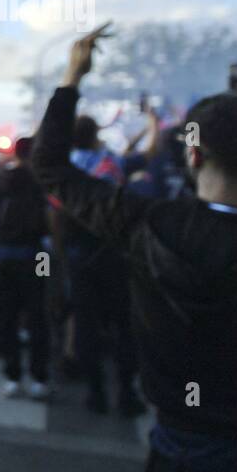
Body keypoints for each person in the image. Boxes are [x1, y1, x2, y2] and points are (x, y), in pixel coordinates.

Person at [33, 23, 237, 472]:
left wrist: (72, 77)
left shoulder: (149, 224)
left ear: (192, 158)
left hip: (181, 458)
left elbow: (50, 167)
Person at [64, 113, 144, 415]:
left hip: (79, 253)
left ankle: (95, 393)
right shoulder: (109, 163)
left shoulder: (67, 167)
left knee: (86, 325)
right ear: (95, 134)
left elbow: (57, 214)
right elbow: (142, 156)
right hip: (113, 251)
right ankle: (126, 393)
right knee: (124, 325)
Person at [0, 136, 50, 399]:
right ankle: (39, 377)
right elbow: (51, 221)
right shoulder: (41, 183)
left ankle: (12, 375)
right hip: (37, 257)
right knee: (38, 314)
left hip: (3, 256)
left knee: (6, 316)